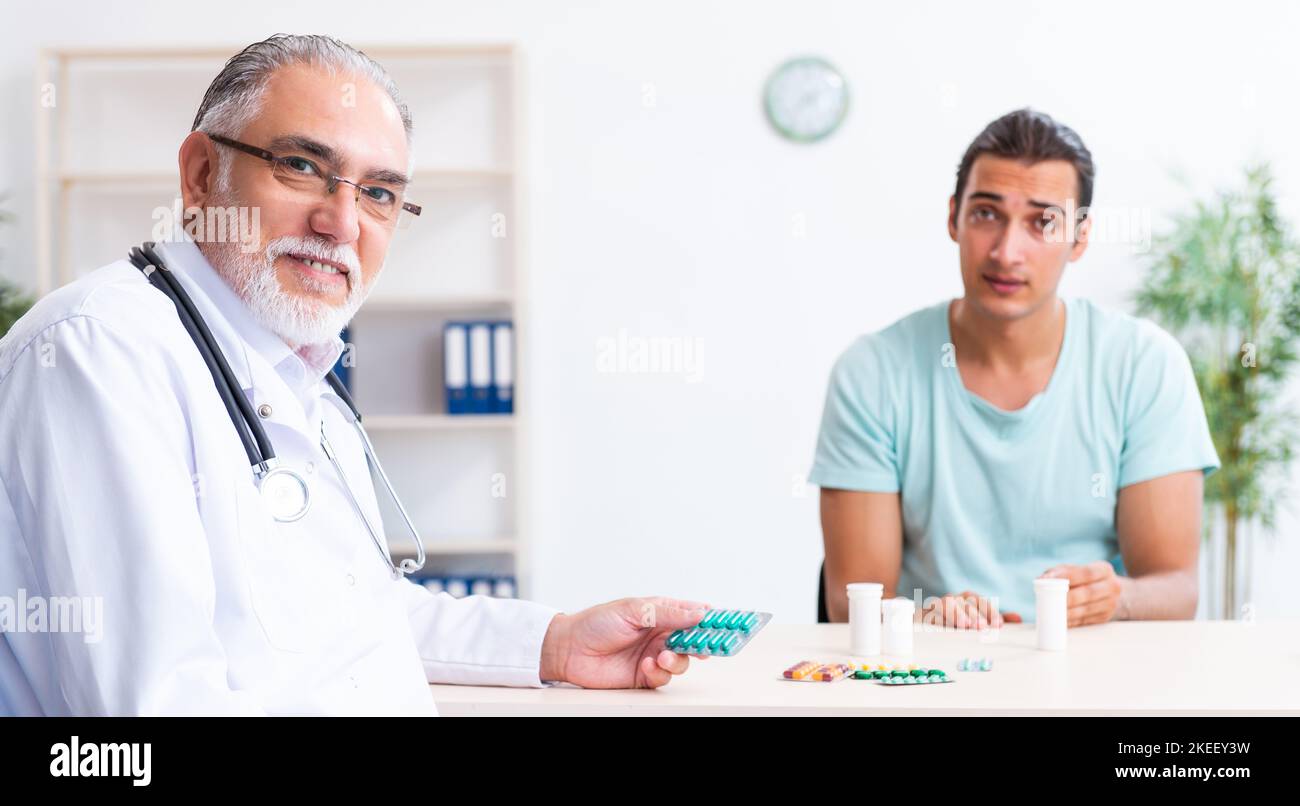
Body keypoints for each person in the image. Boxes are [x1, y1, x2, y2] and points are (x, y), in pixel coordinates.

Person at [0, 34, 706, 716]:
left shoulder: (303, 373)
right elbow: (154, 706)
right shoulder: (101, 351)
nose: (341, 223)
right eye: (302, 166)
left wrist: (555, 644)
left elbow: (352, 612)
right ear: (199, 175)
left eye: (379, 193)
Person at [811, 109, 1219, 629]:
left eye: (1043, 221)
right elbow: (853, 601)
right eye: (986, 214)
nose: (1007, 252)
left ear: (1079, 237)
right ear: (953, 218)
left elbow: (1176, 588)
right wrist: (927, 620)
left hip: (1093, 675)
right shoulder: (872, 372)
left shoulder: (1145, 366)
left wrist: (1115, 598)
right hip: (929, 677)